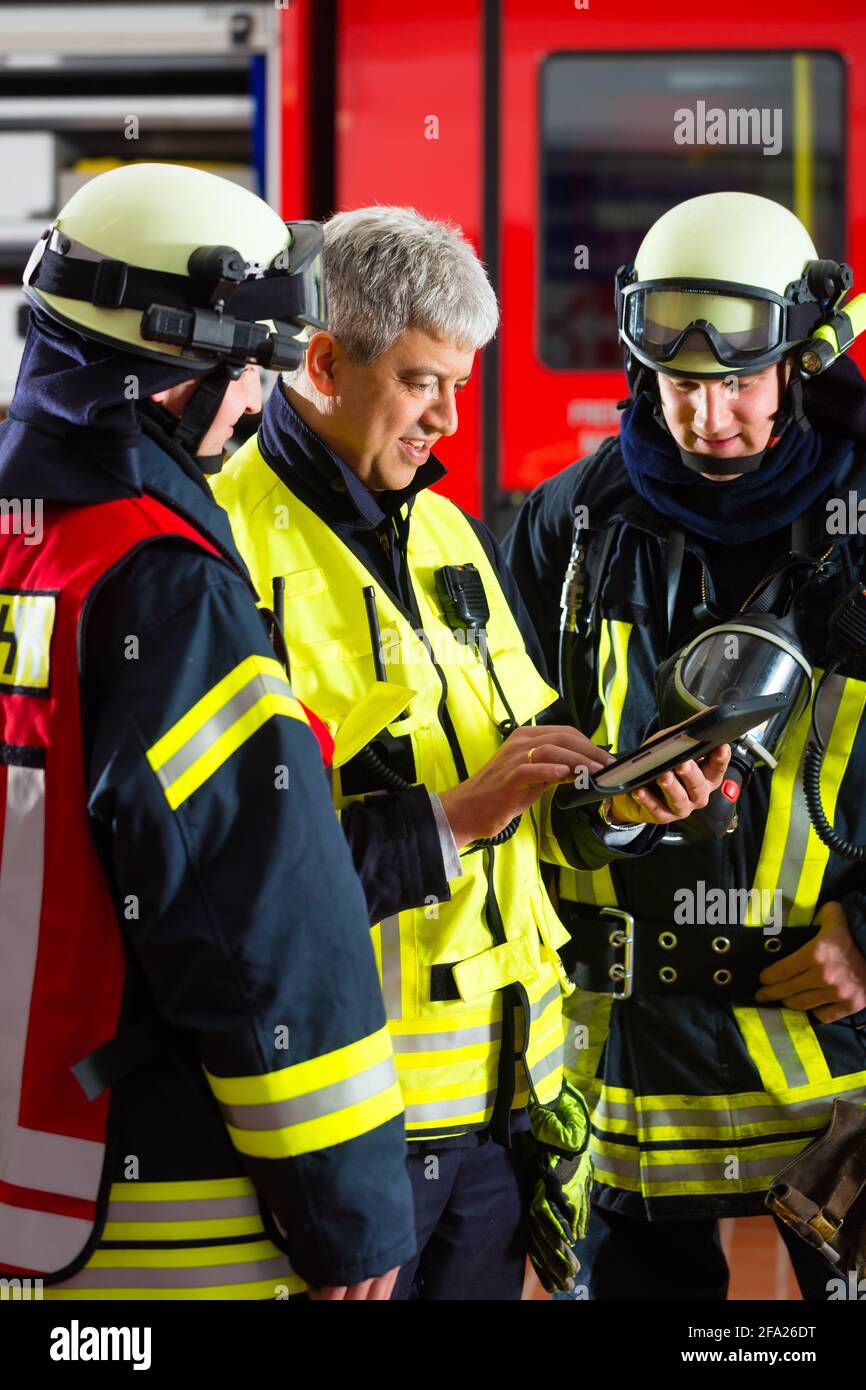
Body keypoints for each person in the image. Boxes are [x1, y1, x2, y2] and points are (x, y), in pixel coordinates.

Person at [211, 204, 728, 1299]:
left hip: (501, 1110)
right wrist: (454, 816)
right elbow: (232, 889)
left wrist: (617, 802)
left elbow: (518, 791)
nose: (449, 417)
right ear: (319, 360)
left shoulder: (445, 531)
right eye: (419, 381)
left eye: (460, 381)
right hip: (354, 1123)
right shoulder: (224, 554)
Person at [0, 163, 416, 1300]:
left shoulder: (24, 543)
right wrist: (349, 1211)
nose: (252, 405)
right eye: (248, 372)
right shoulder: (162, 585)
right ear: (173, 377)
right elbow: (258, 920)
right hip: (156, 1221)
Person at [504, 190, 866, 1300]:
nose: (706, 419)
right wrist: (601, 809)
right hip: (632, 1070)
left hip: (837, 1056)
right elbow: (493, 760)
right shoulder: (563, 525)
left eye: (738, 384)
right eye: (678, 385)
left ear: (799, 365)